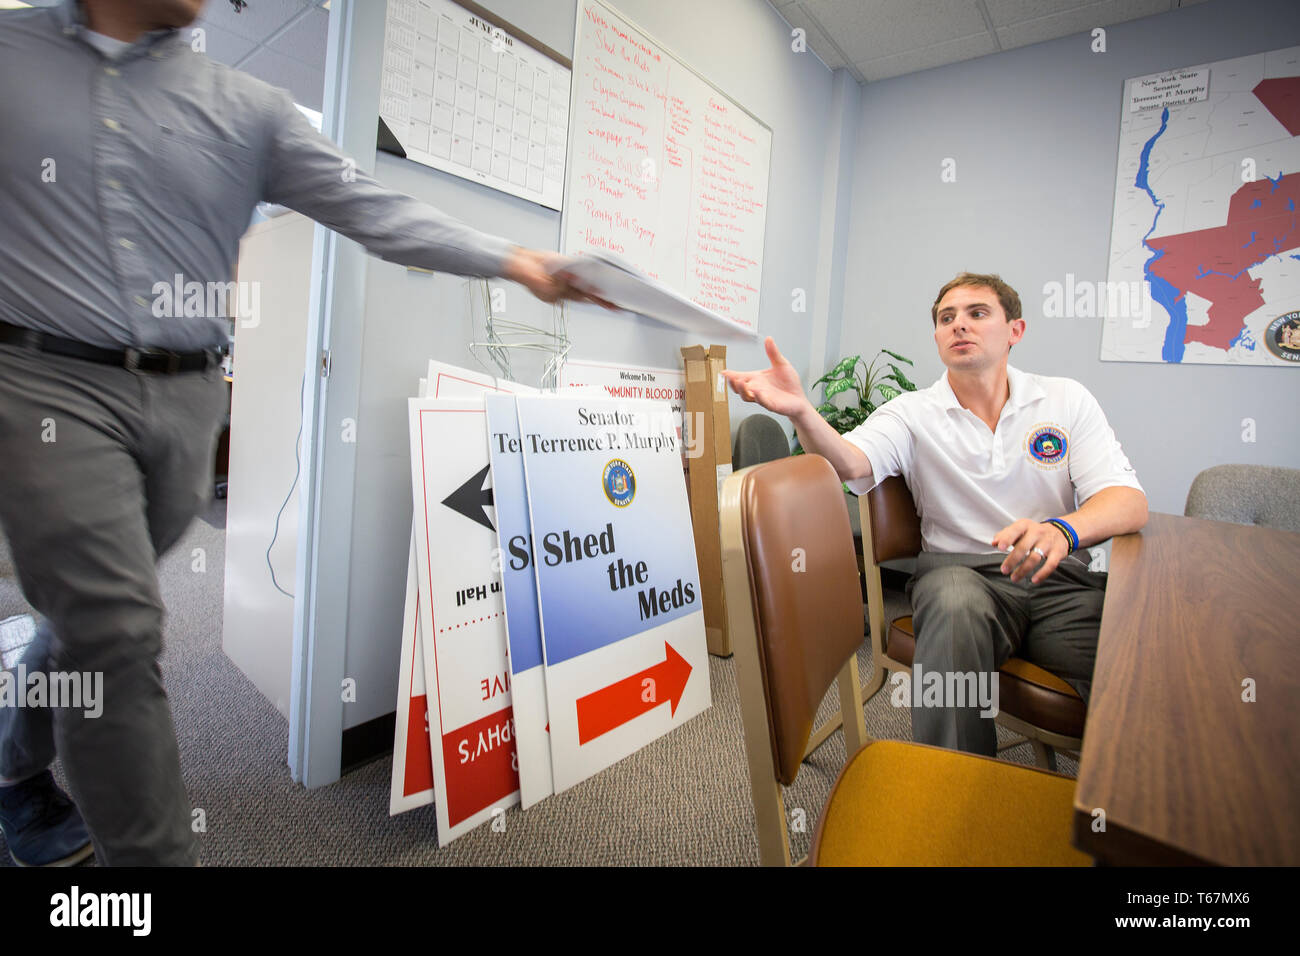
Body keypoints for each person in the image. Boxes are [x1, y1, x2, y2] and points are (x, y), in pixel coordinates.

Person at [0, 0, 602, 867]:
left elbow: (372, 207)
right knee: (117, 626)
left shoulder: (248, 110)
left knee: (83, 619)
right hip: (45, 384)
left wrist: (517, 261)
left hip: (186, 397)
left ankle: (14, 769)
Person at [724, 272, 1148, 757]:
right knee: (952, 609)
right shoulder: (911, 412)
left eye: (977, 313)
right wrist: (801, 411)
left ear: (1015, 330)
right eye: (947, 318)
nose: (959, 326)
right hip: (961, 576)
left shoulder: (1065, 400)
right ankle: (955, 788)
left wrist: (1062, 530)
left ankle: (1136, 808)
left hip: (1058, 580)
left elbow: (1127, 500)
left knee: (1155, 651)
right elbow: (851, 462)